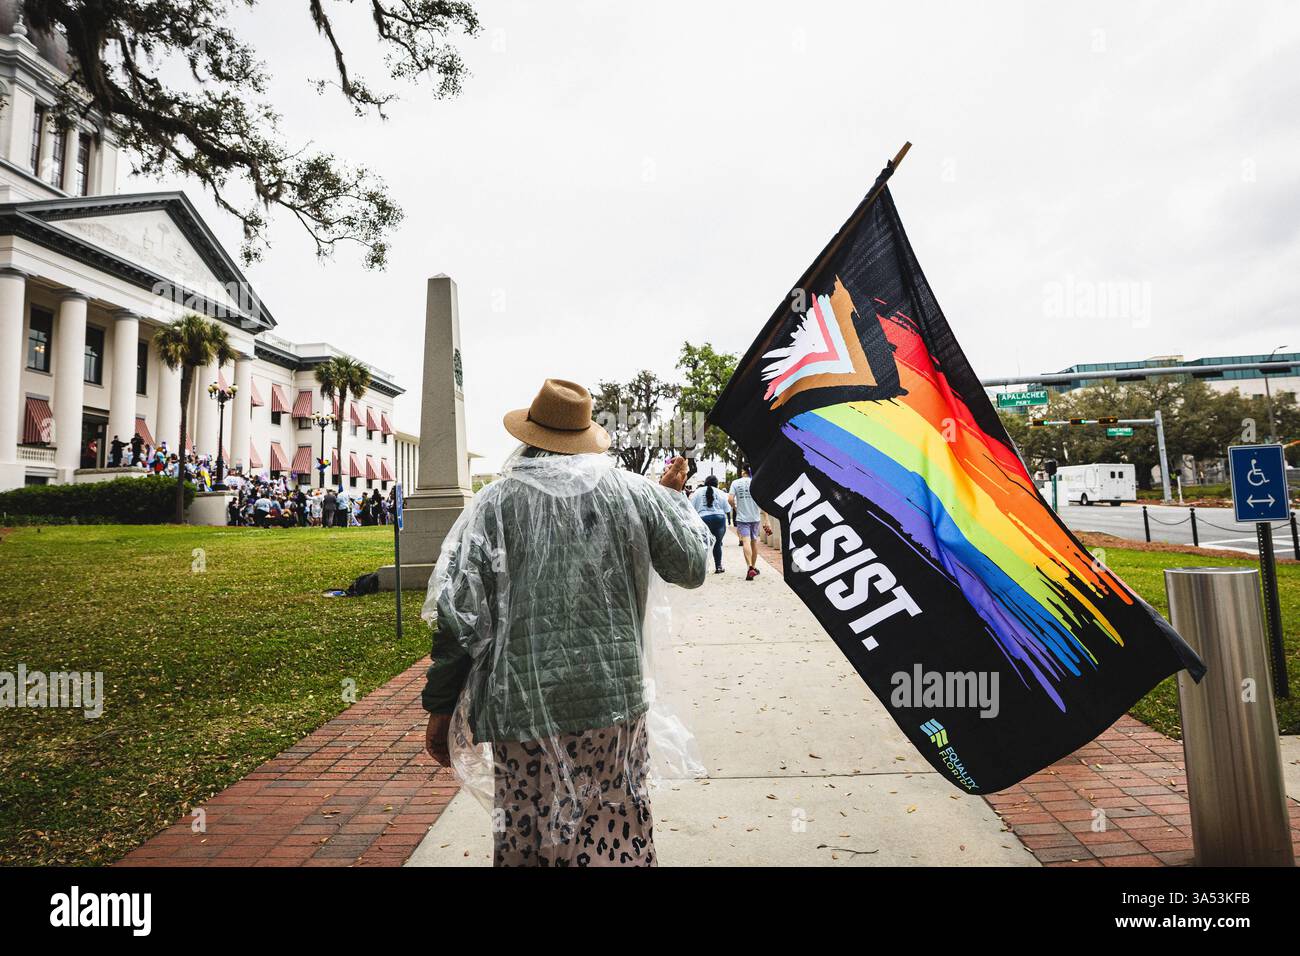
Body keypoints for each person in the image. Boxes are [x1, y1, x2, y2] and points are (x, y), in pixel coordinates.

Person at [421, 378, 709, 867]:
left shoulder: (494, 504)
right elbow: (691, 566)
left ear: (529, 435)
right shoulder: (632, 494)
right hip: (611, 702)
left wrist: (441, 706)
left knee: (527, 830)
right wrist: (670, 502)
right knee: (613, 829)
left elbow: (458, 615)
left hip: (521, 710)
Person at [728, 465, 771, 581]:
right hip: (755, 517)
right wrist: (766, 519)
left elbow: (730, 499)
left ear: (743, 472)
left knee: (746, 541)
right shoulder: (756, 482)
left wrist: (735, 508)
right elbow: (763, 502)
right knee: (754, 542)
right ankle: (754, 567)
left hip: (742, 518)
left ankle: (749, 567)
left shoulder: (736, 483)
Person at [690, 474, 731, 573]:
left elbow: (691, 508)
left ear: (705, 483)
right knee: (717, 544)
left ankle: (703, 568)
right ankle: (718, 566)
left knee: (704, 544)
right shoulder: (721, 493)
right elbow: (727, 509)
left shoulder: (697, 492)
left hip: (703, 519)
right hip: (719, 519)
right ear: (716, 484)